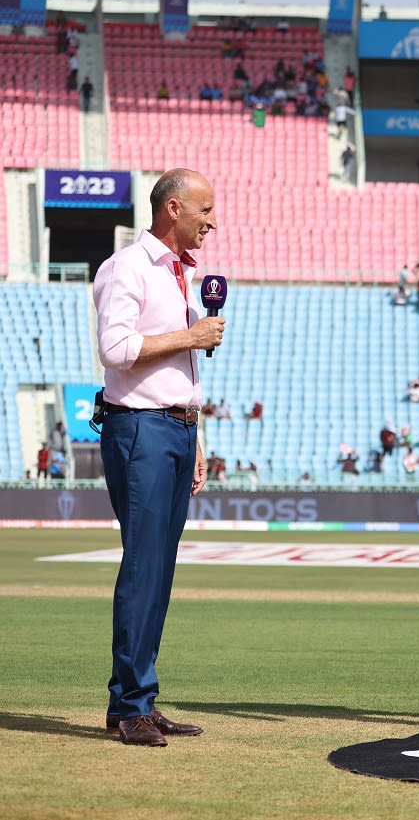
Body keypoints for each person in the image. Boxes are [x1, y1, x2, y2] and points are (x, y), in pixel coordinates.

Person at [93, 168, 224, 747]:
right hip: (140, 432)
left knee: (160, 571)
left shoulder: (177, 276)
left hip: (172, 430)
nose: (211, 222)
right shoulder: (126, 268)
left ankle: (140, 698)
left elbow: (177, 376)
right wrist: (190, 338)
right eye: (204, 211)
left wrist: (194, 436)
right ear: (173, 209)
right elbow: (116, 349)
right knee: (144, 567)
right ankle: (128, 707)